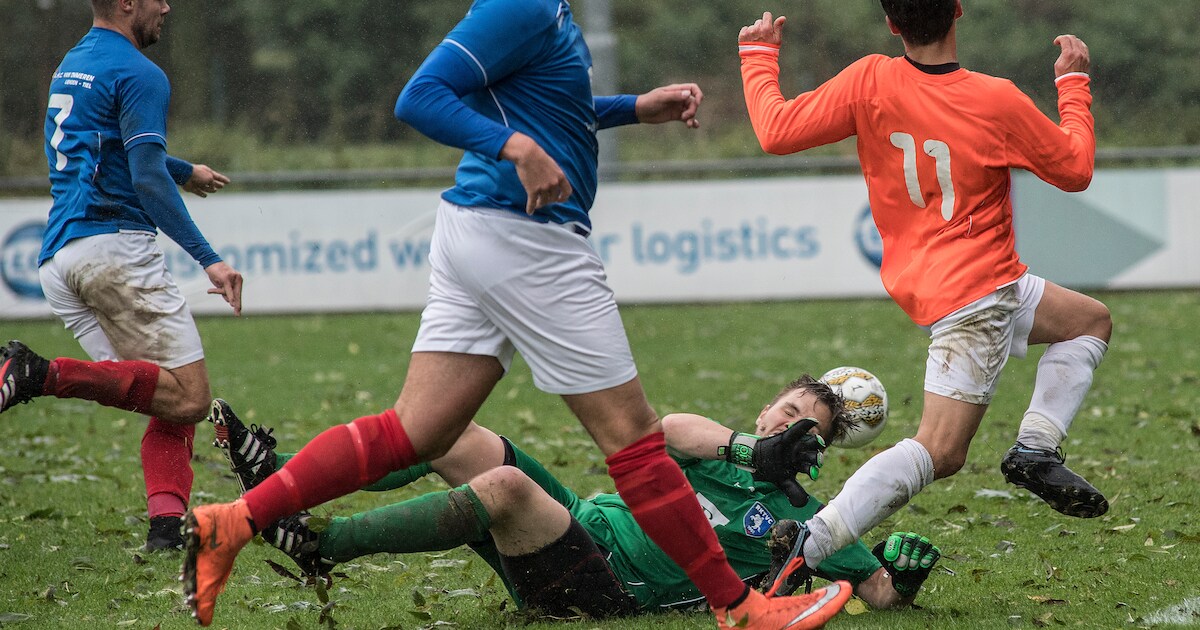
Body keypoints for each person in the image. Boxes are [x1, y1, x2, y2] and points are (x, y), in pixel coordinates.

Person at [181, 1, 851, 627]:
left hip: (483, 228)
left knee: (413, 432)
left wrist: (630, 108)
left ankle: (233, 522)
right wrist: (518, 150)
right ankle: (742, 609)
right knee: (639, 444)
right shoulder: (523, 3)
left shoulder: (546, 9)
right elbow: (420, 97)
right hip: (529, 237)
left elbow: (544, 104)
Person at [736, 0, 1110, 581]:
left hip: (954, 284)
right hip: (977, 290)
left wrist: (758, 55)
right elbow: (1076, 168)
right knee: (940, 451)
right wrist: (1074, 83)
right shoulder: (996, 99)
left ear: (891, 23)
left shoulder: (869, 80)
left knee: (1088, 321)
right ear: (958, 11)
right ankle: (807, 546)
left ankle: (1036, 447)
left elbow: (775, 130)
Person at [209, 376, 940, 619]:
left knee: (500, 485)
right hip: (573, 525)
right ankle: (278, 484)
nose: (784, 425)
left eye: (802, 425)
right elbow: (669, 429)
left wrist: (901, 577)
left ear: (821, 446)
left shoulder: (814, 519)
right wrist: (750, 449)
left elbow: (875, 589)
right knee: (452, 432)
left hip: (604, 586)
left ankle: (320, 545)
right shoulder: (721, 445)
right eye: (781, 411)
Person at [0, 0, 243, 552]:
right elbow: (146, 179)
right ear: (129, 1)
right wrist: (210, 258)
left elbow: (111, 147)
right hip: (113, 252)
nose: (167, 7)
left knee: (162, 392)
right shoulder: (141, 72)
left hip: (61, 257)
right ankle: (37, 373)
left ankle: (164, 530)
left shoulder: (75, 60)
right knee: (190, 397)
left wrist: (183, 169)